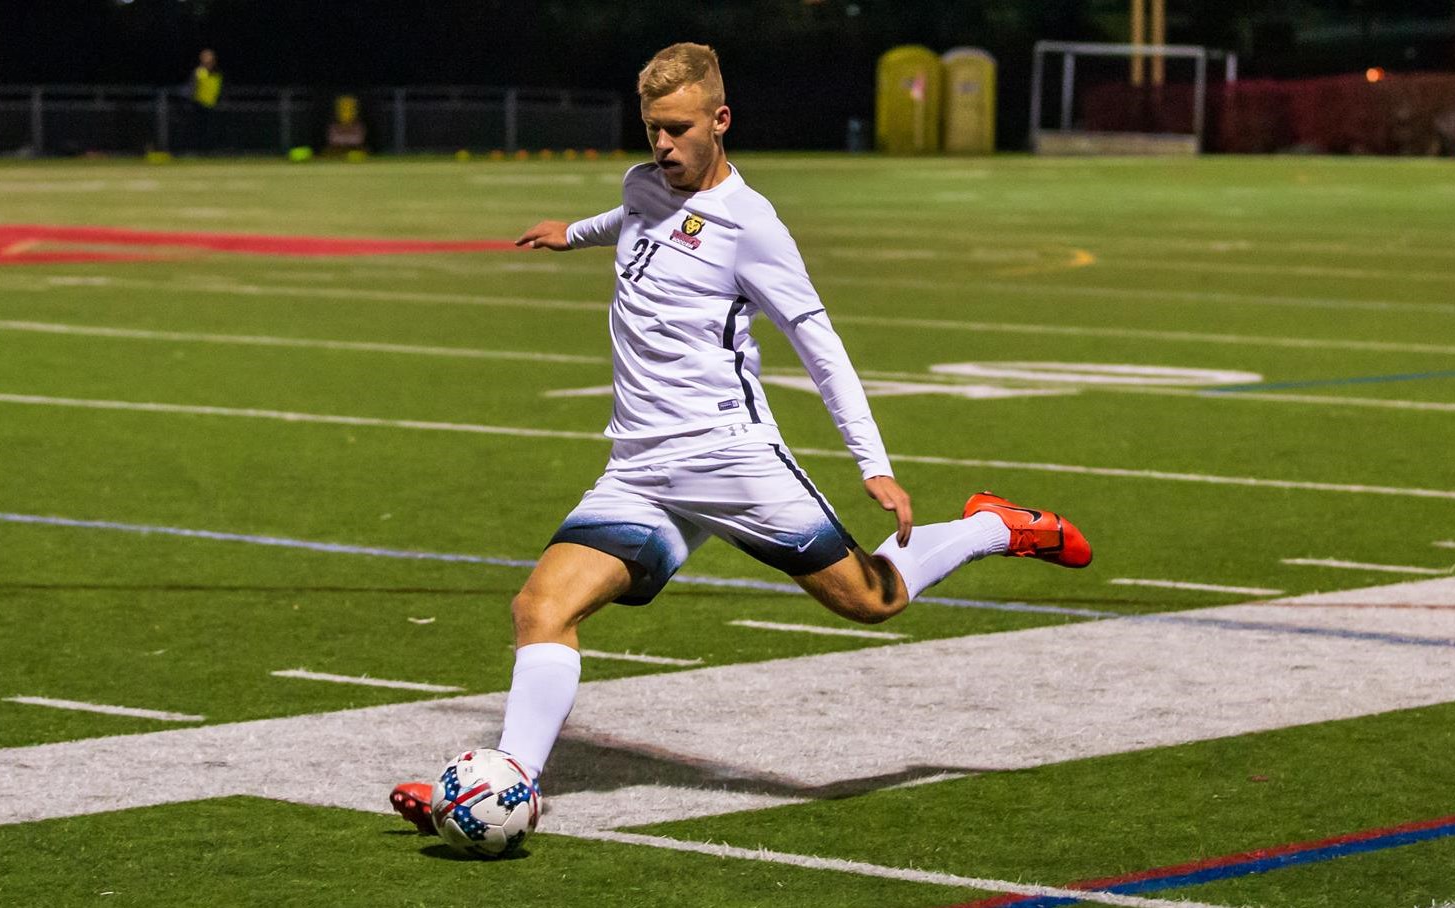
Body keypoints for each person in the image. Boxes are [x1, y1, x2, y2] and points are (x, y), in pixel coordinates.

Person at [389, 42, 1091, 834]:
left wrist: (876, 466)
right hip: (640, 470)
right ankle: (508, 782)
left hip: (731, 459)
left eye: (678, 129)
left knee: (871, 600)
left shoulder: (752, 225)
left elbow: (817, 344)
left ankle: (989, 526)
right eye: (651, 128)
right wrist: (573, 232)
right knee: (539, 608)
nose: (661, 146)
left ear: (719, 121)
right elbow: (634, 217)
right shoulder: (644, 185)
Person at [188, 48, 221, 154]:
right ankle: (198, 151)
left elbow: (221, 89)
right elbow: (192, 88)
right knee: (198, 130)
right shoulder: (199, 72)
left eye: (210, 58)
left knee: (212, 130)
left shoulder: (217, 73)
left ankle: (210, 151)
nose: (208, 60)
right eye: (205, 58)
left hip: (213, 106)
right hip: (198, 105)